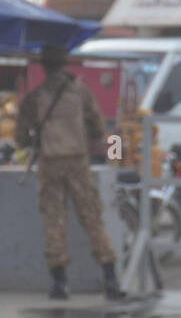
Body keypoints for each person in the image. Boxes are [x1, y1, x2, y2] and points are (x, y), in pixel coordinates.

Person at [15, 43, 124, 301]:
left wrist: (39, 138)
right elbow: (98, 128)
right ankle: (109, 278)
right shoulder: (81, 93)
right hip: (77, 161)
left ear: (43, 66)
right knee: (92, 218)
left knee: (54, 221)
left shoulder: (35, 97)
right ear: (65, 64)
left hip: (49, 161)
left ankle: (60, 283)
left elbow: (20, 136)